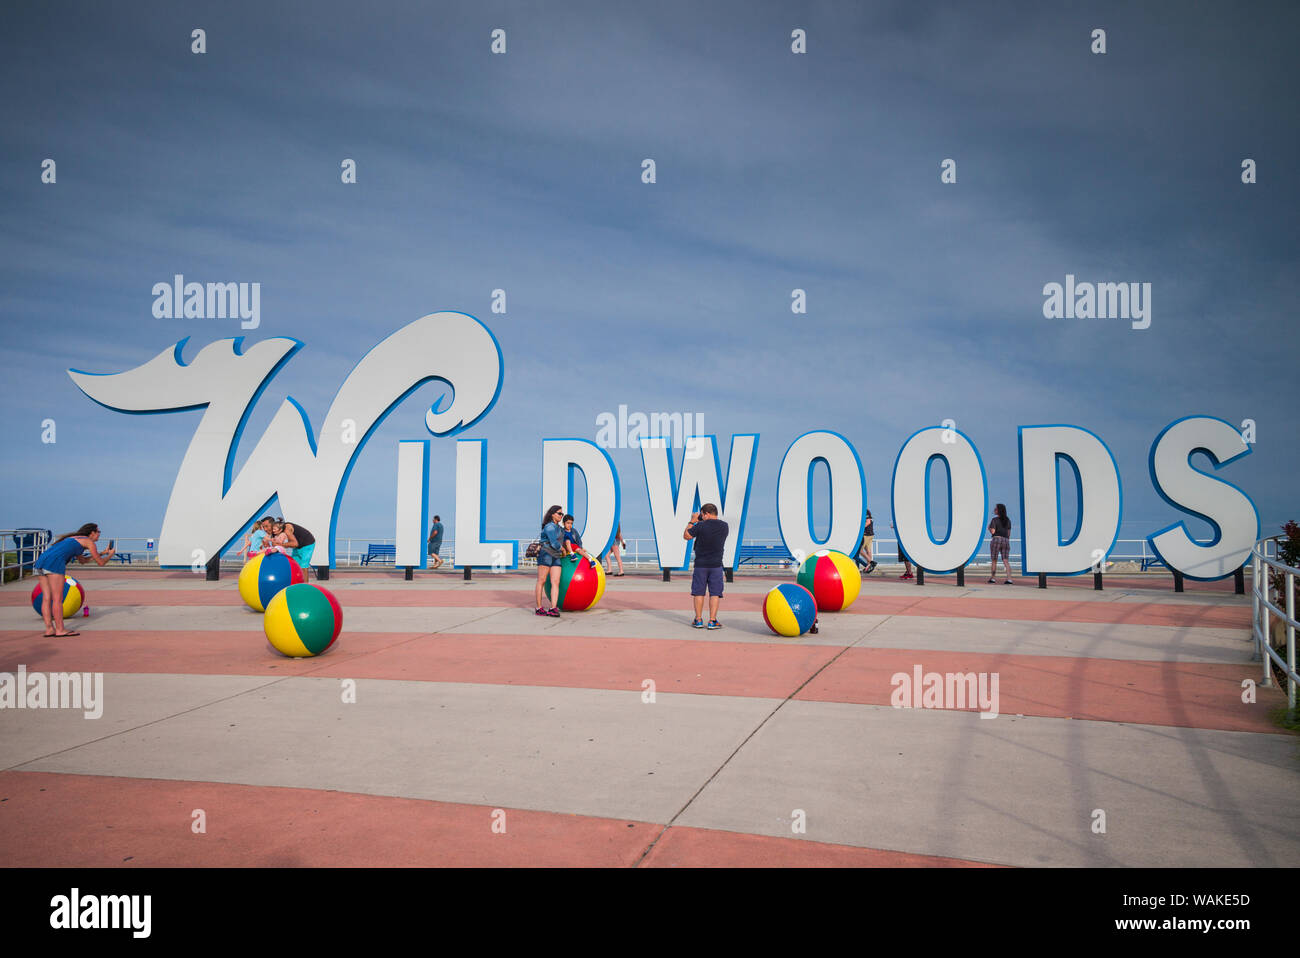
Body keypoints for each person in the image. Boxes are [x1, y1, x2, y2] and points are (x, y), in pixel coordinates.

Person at [33, 523, 114, 637]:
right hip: (54, 564)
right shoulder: (89, 542)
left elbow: (83, 561)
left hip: (41, 562)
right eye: (98, 532)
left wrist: (102, 553)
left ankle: (49, 629)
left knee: (46, 598)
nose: (99, 535)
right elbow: (101, 563)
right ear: (92, 533)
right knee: (57, 599)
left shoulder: (74, 539)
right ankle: (60, 629)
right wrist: (110, 555)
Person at [683, 503, 729, 630]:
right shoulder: (725, 526)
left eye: (702, 515)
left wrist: (692, 521)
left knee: (699, 592)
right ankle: (712, 621)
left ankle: (698, 620)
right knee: (715, 593)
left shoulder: (700, 526)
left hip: (701, 565)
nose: (701, 517)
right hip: (716, 565)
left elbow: (686, 536)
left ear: (706, 514)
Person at [534, 505, 566, 617]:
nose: (561, 516)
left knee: (555, 582)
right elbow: (554, 543)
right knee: (541, 581)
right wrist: (563, 549)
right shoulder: (549, 527)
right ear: (553, 514)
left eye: (562, 514)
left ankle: (553, 608)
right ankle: (538, 608)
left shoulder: (559, 528)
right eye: (559, 513)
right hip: (546, 554)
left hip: (556, 556)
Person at [988, 503, 1013, 584]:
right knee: (1006, 560)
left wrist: (989, 528)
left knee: (994, 560)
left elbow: (993, 531)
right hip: (1006, 540)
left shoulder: (994, 520)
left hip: (996, 539)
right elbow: (1008, 534)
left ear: (999, 510)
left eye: (995, 509)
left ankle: (993, 578)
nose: (994, 510)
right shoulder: (1008, 520)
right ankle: (1009, 579)